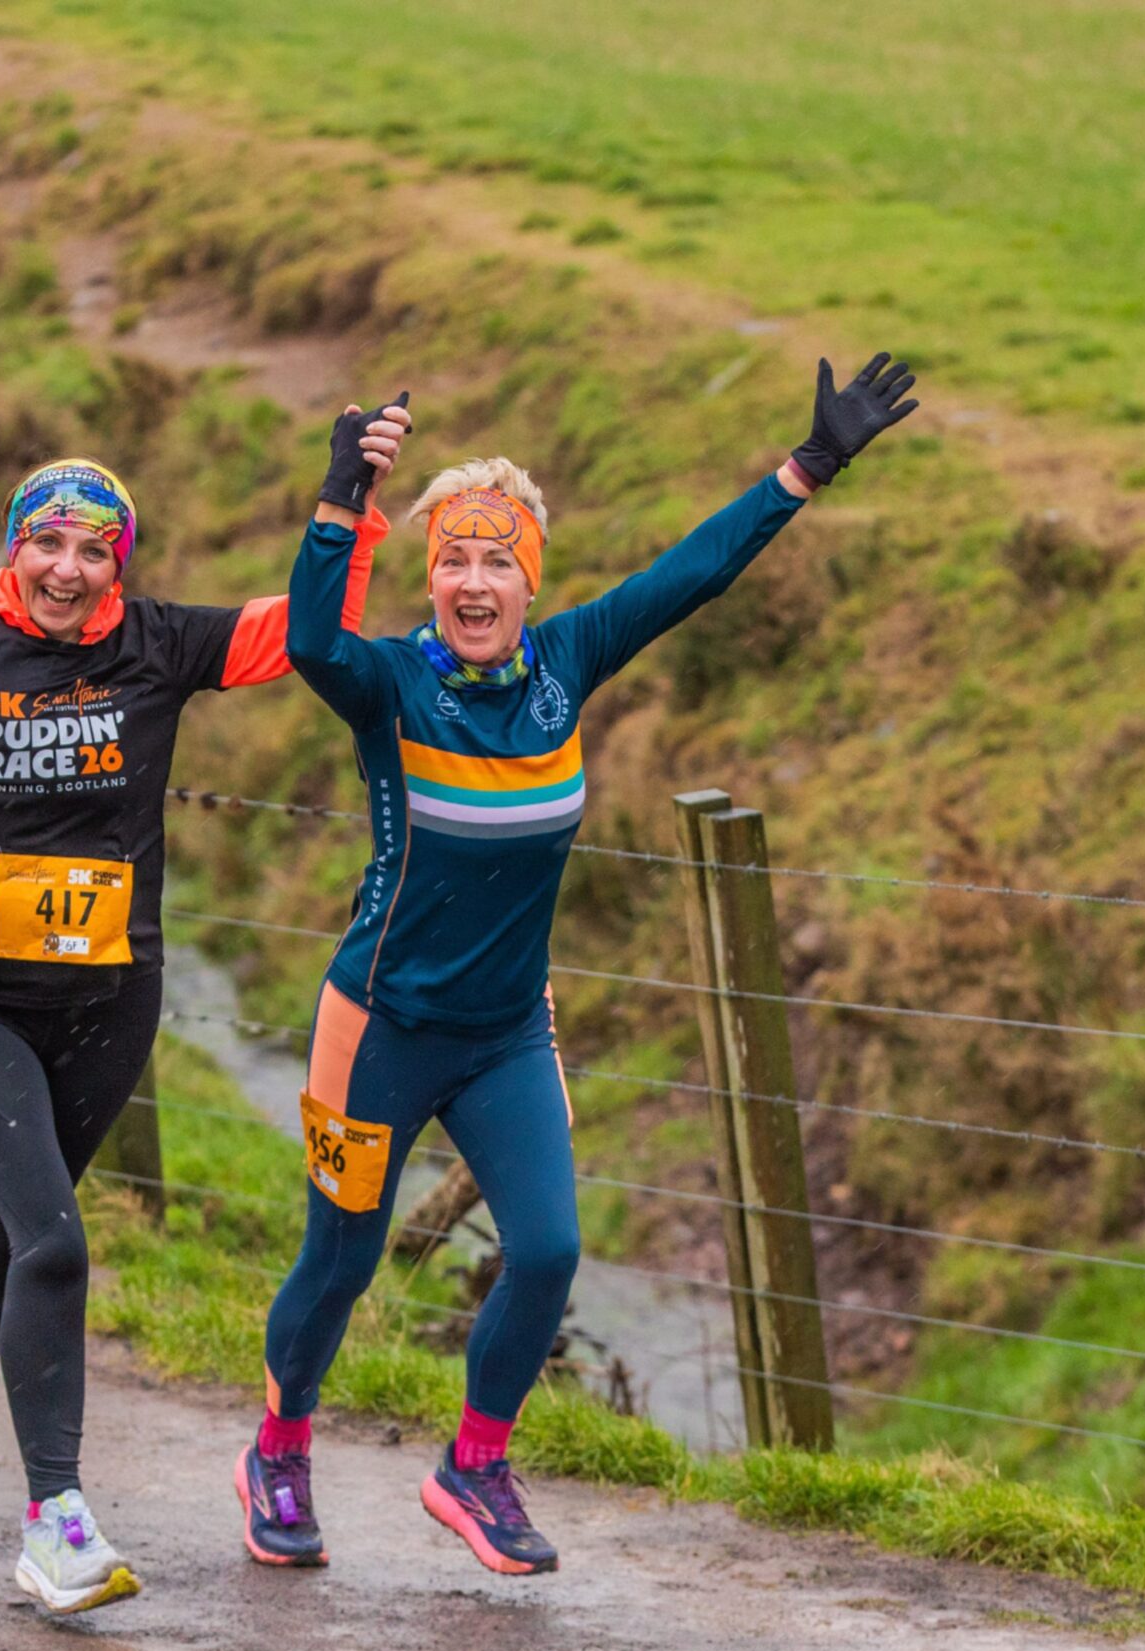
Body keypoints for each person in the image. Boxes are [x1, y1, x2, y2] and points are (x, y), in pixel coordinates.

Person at [0, 346, 405, 1614]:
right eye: (46, 543)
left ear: (120, 564)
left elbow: (306, 633)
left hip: (108, 1003)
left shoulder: (160, 646)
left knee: (12, 1232)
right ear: (14, 548)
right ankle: (55, 1520)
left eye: (93, 551)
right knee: (52, 1238)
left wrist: (348, 508)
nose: (66, 568)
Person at [240, 353, 919, 1578]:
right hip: (378, 1027)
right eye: (454, 560)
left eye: (497, 562)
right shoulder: (388, 685)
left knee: (549, 1251)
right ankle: (278, 1449)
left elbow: (689, 575)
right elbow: (307, 642)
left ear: (529, 580)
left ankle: (474, 1467)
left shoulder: (566, 665)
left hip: (505, 1032)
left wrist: (808, 466)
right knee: (338, 1264)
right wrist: (341, 502)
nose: (473, 581)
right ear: (431, 577)